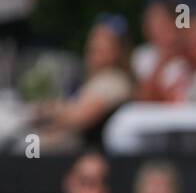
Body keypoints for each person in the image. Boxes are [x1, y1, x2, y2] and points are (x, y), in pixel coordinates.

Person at [32, 17, 134, 151]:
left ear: (117, 51)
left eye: (98, 50)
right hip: (55, 145)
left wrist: (47, 111)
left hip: (73, 153)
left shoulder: (114, 80)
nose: (91, 55)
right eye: (91, 48)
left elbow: (79, 118)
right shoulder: (97, 79)